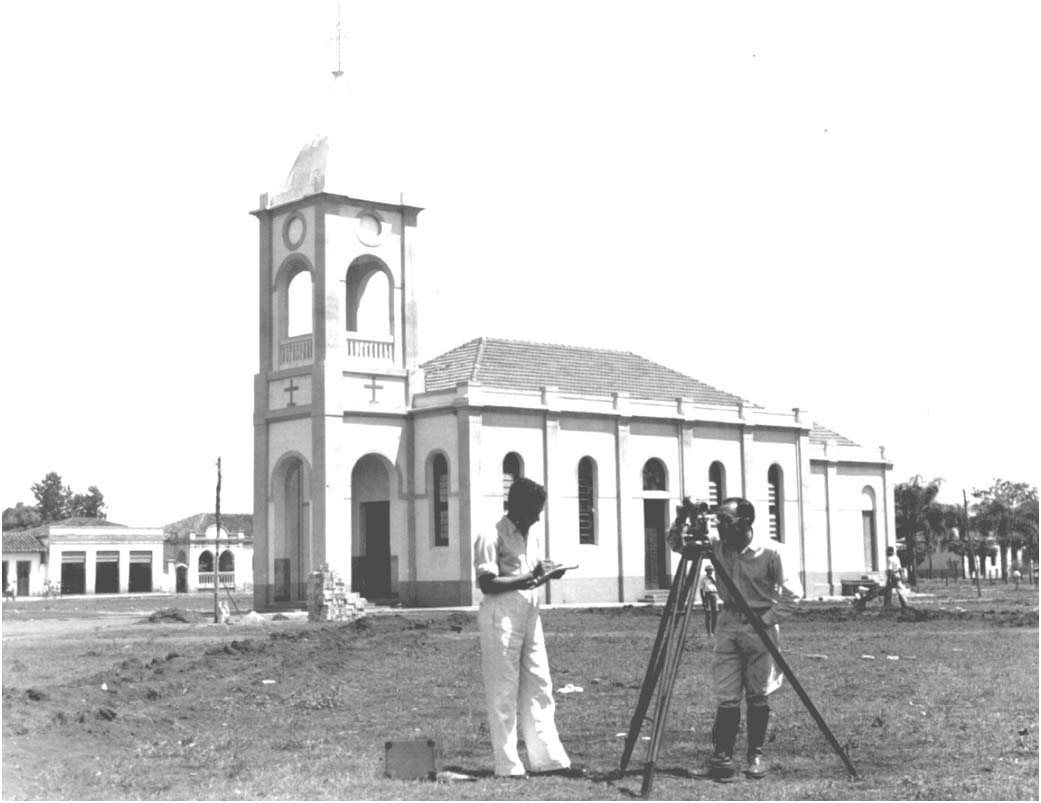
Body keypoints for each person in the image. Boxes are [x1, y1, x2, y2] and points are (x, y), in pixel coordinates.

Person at [668, 496, 802, 781]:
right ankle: (722, 756)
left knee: (758, 692)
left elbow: (793, 596)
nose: (719, 527)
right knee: (726, 693)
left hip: (760, 623)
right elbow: (678, 545)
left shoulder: (772, 551)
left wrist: (764, 623)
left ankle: (756, 754)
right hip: (728, 622)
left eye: (725, 521)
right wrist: (682, 519)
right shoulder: (717, 544)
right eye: (718, 521)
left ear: (744, 523)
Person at [473, 477, 583, 779]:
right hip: (501, 615)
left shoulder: (530, 535)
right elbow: (487, 583)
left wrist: (548, 573)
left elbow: (531, 574)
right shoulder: (491, 534)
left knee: (539, 684)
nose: (538, 517)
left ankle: (548, 759)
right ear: (518, 506)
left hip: (529, 615)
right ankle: (507, 764)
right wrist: (529, 578)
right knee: (503, 689)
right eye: (535, 511)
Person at [883, 546, 908, 611]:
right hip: (897, 574)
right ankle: (904, 603)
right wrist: (902, 576)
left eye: (887, 552)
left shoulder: (890, 559)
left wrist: (889, 579)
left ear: (889, 552)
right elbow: (900, 568)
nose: (886, 553)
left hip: (893, 575)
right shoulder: (897, 558)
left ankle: (887, 605)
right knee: (900, 589)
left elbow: (890, 570)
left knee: (888, 590)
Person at [698, 565, 720, 636]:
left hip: (714, 595)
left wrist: (712, 579)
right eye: (708, 570)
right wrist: (703, 600)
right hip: (707, 595)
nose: (710, 571)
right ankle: (709, 632)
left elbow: (718, 586)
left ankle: (713, 630)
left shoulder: (714, 577)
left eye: (711, 570)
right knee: (708, 613)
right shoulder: (703, 578)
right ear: (706, 571)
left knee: (715, 613)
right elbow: (701, 589)